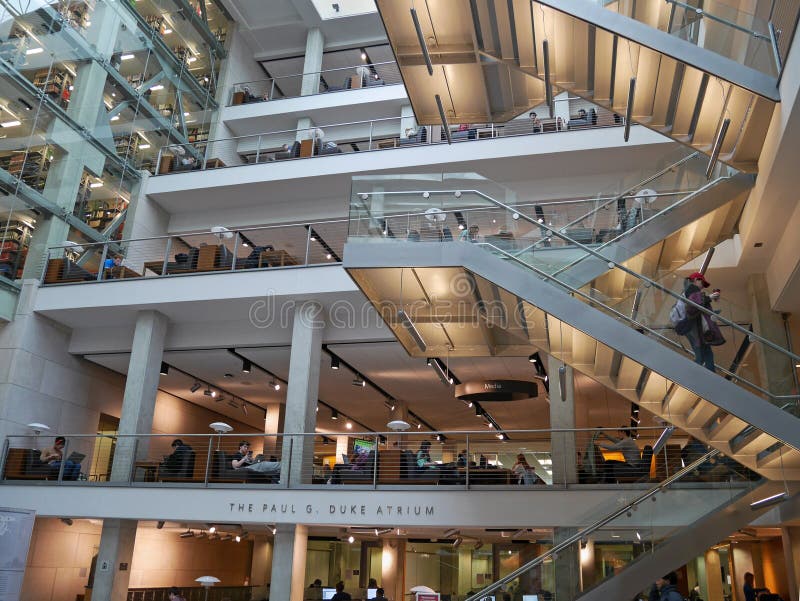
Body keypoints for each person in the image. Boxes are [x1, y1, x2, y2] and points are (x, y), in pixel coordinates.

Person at [683, 272, 717, 372]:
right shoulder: (691, 288)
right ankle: (708, 376)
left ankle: (707, 375)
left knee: (704, 353)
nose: (702, 287)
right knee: (704, 354)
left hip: (692, 327)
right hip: (693, 327)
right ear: (696, 280)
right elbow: (695, 303)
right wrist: (709, 297)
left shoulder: (688, 289)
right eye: (702, 283)